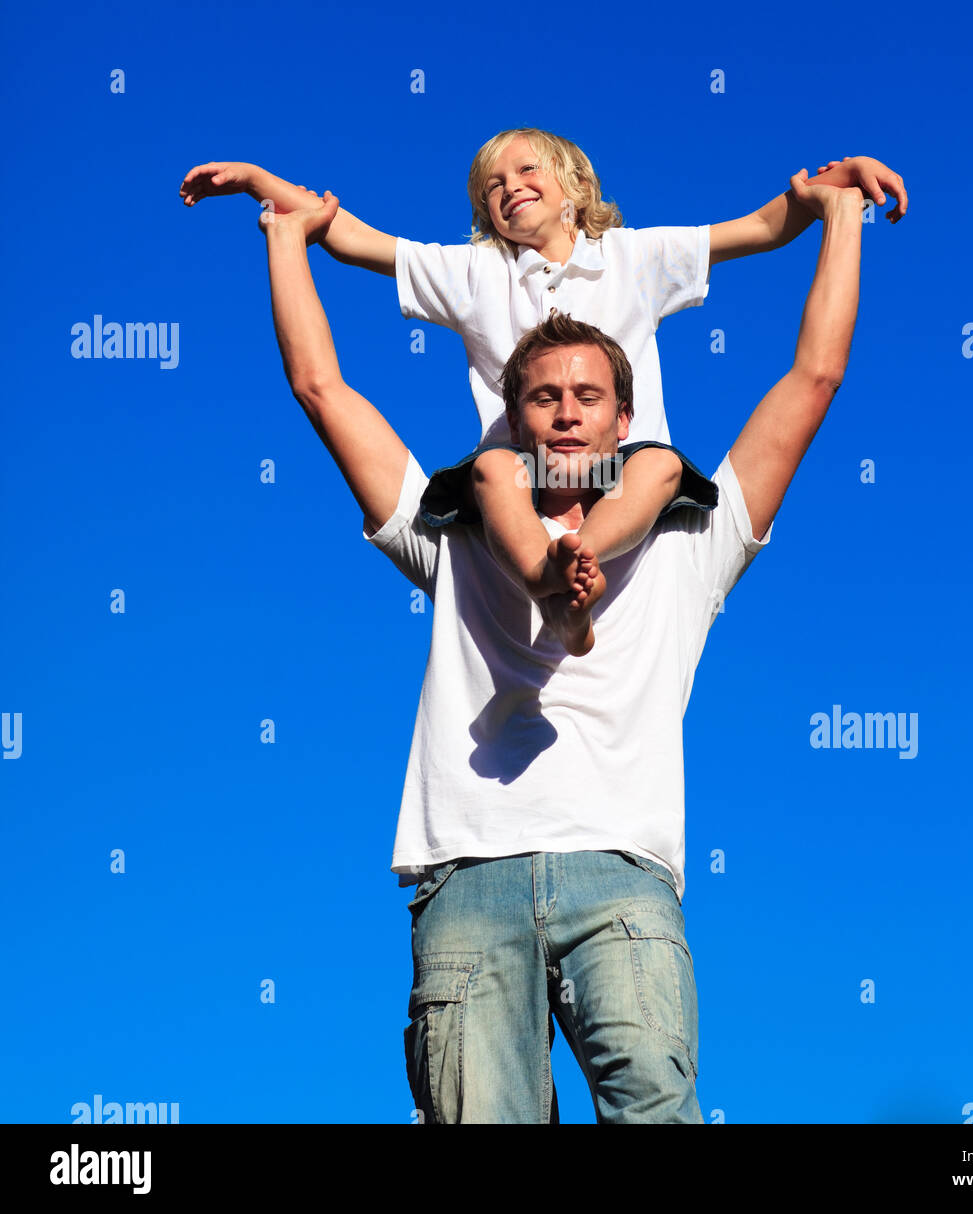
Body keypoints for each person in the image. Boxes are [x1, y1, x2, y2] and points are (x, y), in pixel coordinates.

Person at [252, 166, 876, 1123]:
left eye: (590, 394)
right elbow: (320, 387)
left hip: (620, 877)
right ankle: (552, 584)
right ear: (515, 420)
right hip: (466, 878)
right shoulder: (454, 536)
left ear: (623, 420)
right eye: (543, 396)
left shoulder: (687, 541)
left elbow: (813, 378)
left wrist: (840, 216)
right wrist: (285, 236)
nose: (568, 409)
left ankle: (563, 585)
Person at [180, 134, 906, 656]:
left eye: (526, 170)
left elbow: (760, 225)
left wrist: (832, 187)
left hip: (617, 473)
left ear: (574, 190)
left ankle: (578, 562)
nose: (507, 187)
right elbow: (347, 235)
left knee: (659, 467)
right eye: (490, 186)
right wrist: (256, 181)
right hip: (525, 482)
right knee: (491, 467)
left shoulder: (633, 256)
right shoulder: (473, 271)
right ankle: (547, 582)